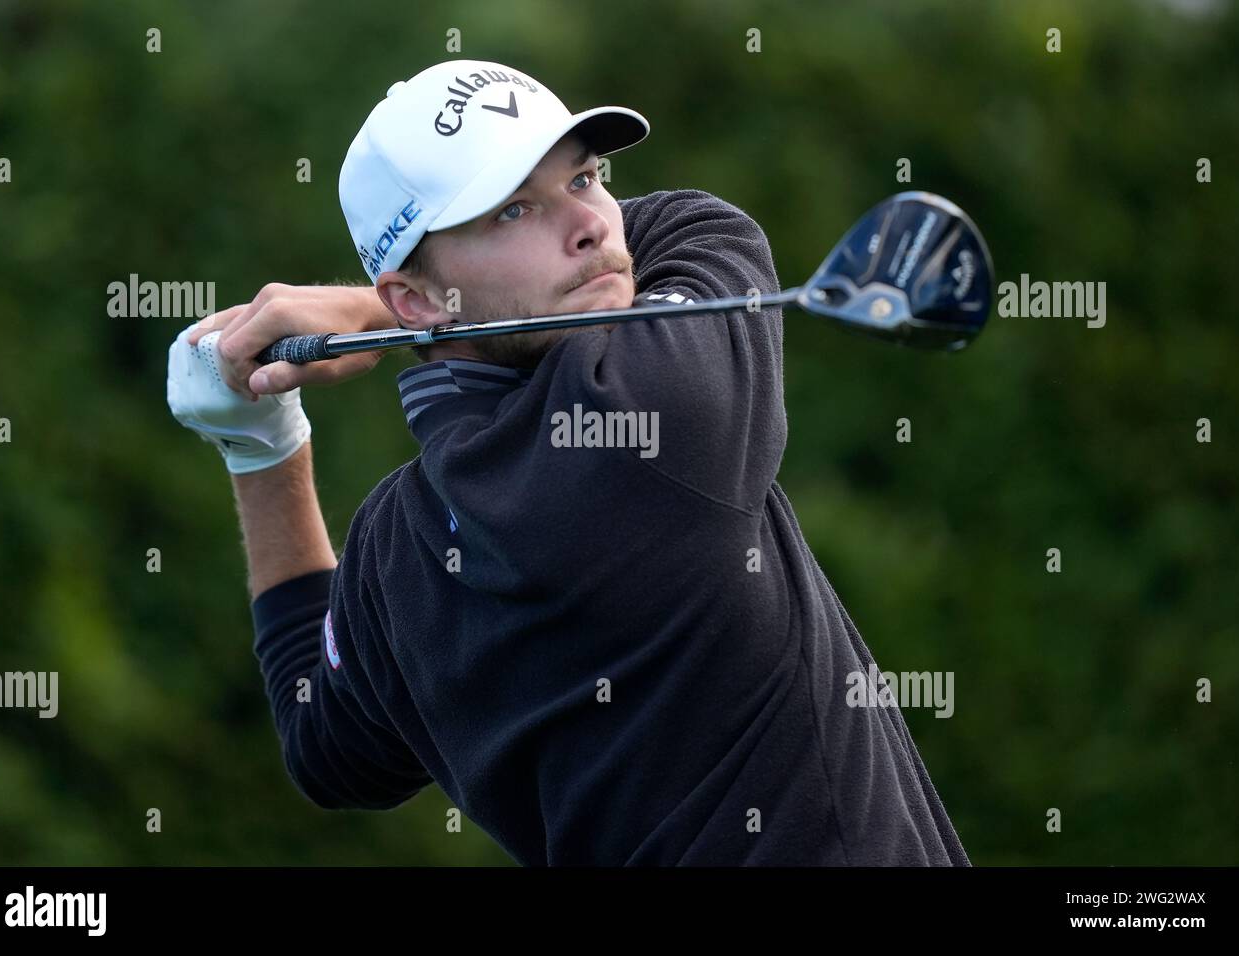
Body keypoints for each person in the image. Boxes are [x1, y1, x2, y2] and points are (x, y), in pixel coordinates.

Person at [166, 59, 969, 866]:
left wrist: (259, 445)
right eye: (512, 209)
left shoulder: (396, 551)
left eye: (584, 178)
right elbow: (702, 225)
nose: (589, 225)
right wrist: (375, 309)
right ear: (412, 296)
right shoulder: (657, 409)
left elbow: (321, 746)